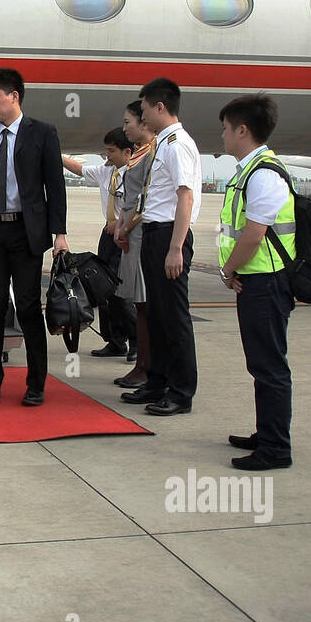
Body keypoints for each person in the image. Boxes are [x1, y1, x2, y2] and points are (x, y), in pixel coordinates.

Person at [0, 68, 68, 407]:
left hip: (25, 232)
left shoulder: (43, 134)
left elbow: (55, 186)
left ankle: (36, 384)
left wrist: (59, 233)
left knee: (29, 306)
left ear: (13, 96)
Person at [217, 94, 297, 470]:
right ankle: (266, 434)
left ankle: (276, 448)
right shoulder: (250, 169)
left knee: (270, 367)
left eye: (225, 129)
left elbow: (254, 234)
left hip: (266, 283)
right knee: (261, 365)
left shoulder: (263, 172)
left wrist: (227, 270)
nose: (223, 136)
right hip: (255, 281)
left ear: (242, 130)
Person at [121, 77, 201, 416]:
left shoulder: (177, 144)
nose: (142, 117)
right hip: (154, 233)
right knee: (156, 315)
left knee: (174, 317)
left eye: (143, 110)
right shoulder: (162, 144)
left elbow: (185, 195)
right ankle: (158, 380)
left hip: (169, 234)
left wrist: (176, 247)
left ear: (160, 107)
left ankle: (181, 391)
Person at [61, 127, 136, 360]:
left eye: (111, 151)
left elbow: (141, 205)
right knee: (104, 288)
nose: (107, 156)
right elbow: (80, 169)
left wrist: (122, 225)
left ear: (127, 152)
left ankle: (138, 342)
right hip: (108, 235)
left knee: (124, 291)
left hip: (128, 235)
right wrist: (55, 152)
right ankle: (115, 340)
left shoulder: (136, 174)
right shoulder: (108, 172)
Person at [112, 103, 157, 388]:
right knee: (137, 303)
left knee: (143, 304)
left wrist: (124, 228)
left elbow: (146, 200)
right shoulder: (140, 154)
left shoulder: (152, 154)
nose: (125, 127)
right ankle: (142, 364)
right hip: (130, 232)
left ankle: (145, 366)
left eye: (128, 122)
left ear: (143, 124)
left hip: (138, 235)